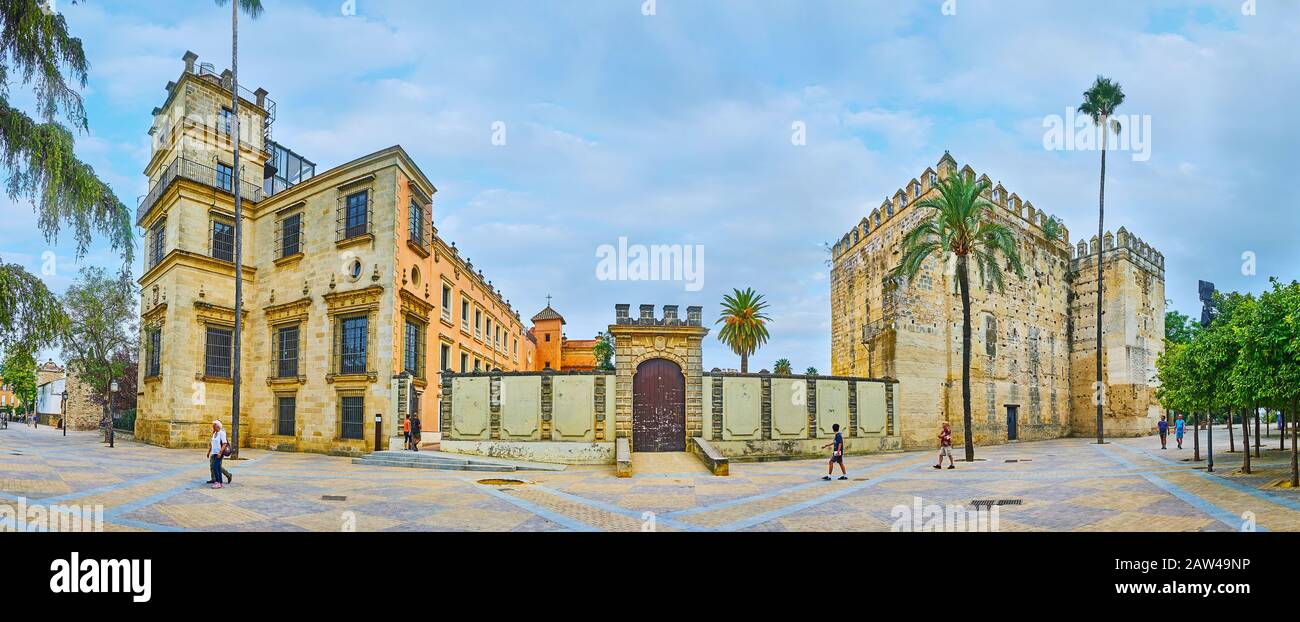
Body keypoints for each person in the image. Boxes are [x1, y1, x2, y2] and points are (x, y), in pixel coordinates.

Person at [207, 420, 228, 489]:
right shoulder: (214, 433)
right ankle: (220, 483)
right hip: (214, 452)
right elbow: (212, 443)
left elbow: (225, 443)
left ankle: (217, 482)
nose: (213, 426)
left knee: (215, 467)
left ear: (218, 426)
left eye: (214, 425)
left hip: (219, 453)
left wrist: (220, 452)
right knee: (217, 468)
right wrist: (209, 451)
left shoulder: (221, 433)